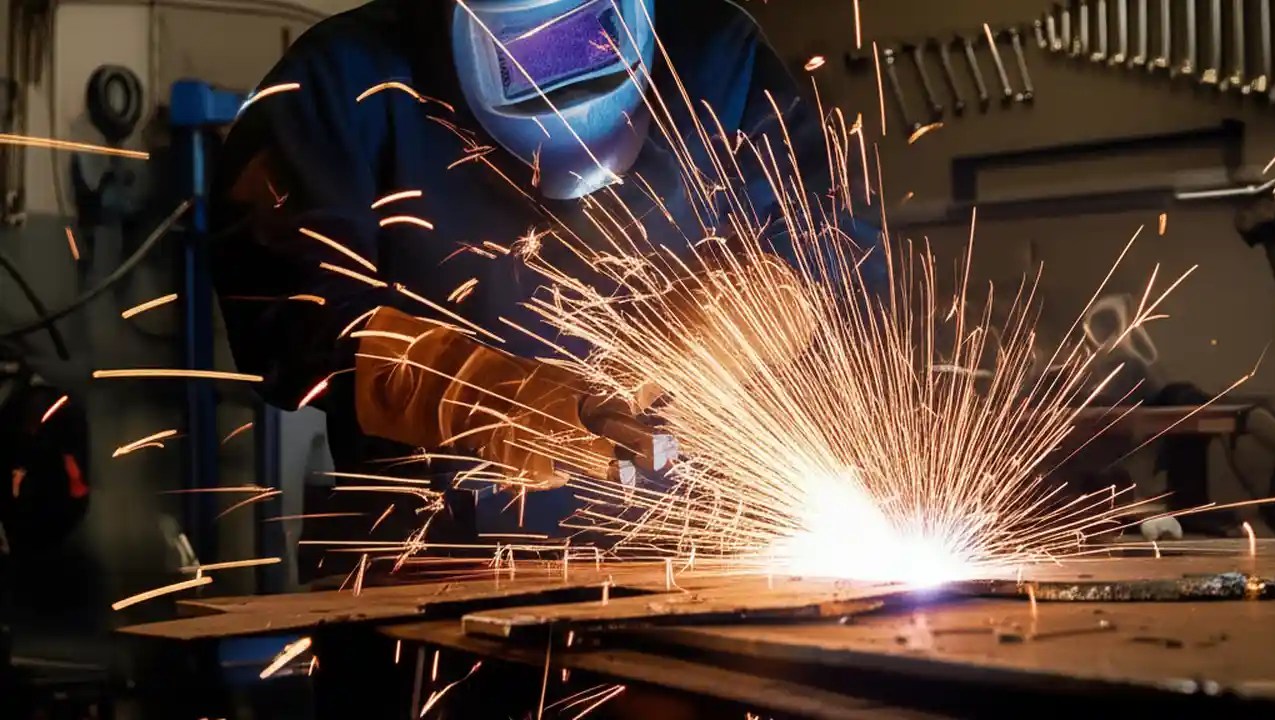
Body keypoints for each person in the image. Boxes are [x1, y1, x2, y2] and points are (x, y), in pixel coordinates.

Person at [211, 0, 883, 541]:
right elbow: (289, 314)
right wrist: (478, 392)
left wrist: (744, 314)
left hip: (697, 544)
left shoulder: (712, 48)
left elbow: (828, 236)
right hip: (438, 557)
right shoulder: (341, 81)